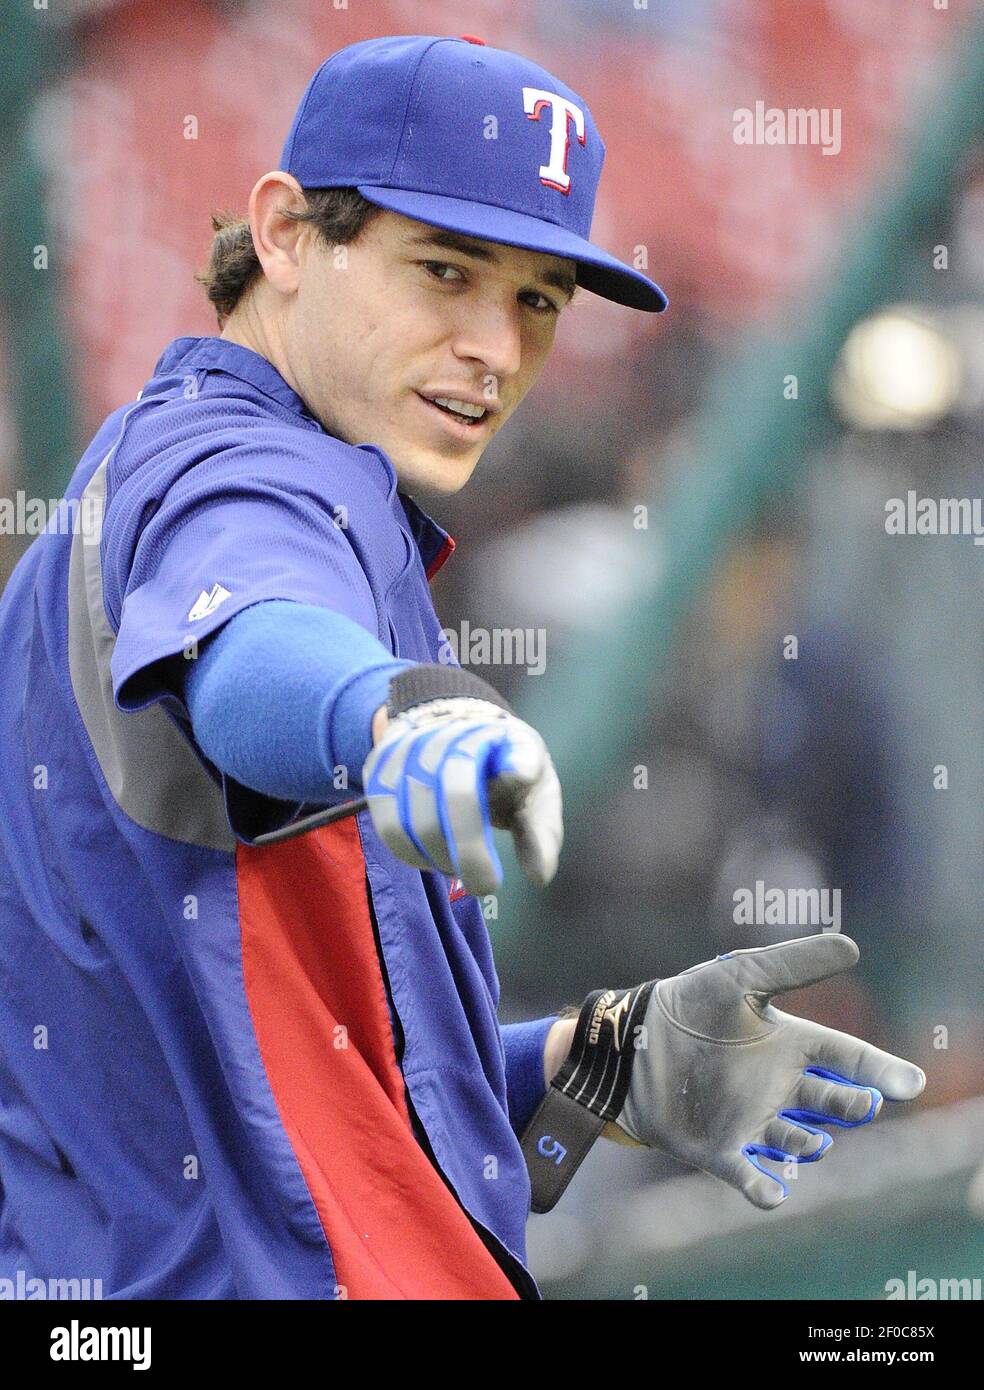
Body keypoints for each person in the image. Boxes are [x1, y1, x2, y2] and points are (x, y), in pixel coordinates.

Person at [0, 34, 924, 1302]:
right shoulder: (248, 474)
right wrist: (387, 720)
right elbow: (253, 636)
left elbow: (278, 1089)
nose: (495, 344)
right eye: (446, 270)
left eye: (538, 299)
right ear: (282, 232)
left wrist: (597, 1062)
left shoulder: (202, 475)